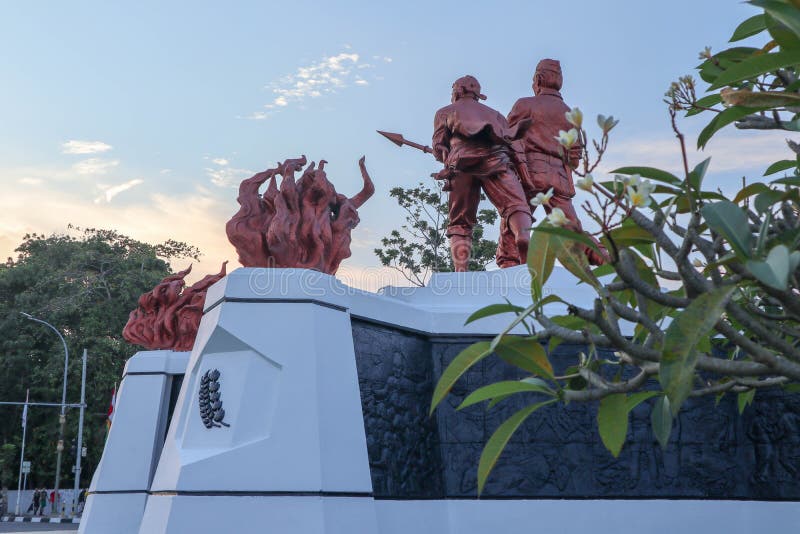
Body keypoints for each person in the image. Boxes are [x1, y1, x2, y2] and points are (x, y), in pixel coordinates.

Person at [497, 58, 605, 266]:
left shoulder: (525, 104)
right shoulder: (570, 114)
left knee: (515, 216)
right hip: (561, 177)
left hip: (529, 172)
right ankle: (605, 259)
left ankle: (511, 264)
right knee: (570, 228)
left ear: (538, 79)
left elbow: (505, 137)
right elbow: (575, 155)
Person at [432, 75, 533, 271]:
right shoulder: (495, 114)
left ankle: (461, 270)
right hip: (497, 161)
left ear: (458, 91)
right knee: (516, 206)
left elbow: (439, 148)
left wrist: (442, 156)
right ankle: (522, 235)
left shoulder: (444, 112)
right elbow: (514, 147)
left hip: (460, 165)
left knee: (460, 221)